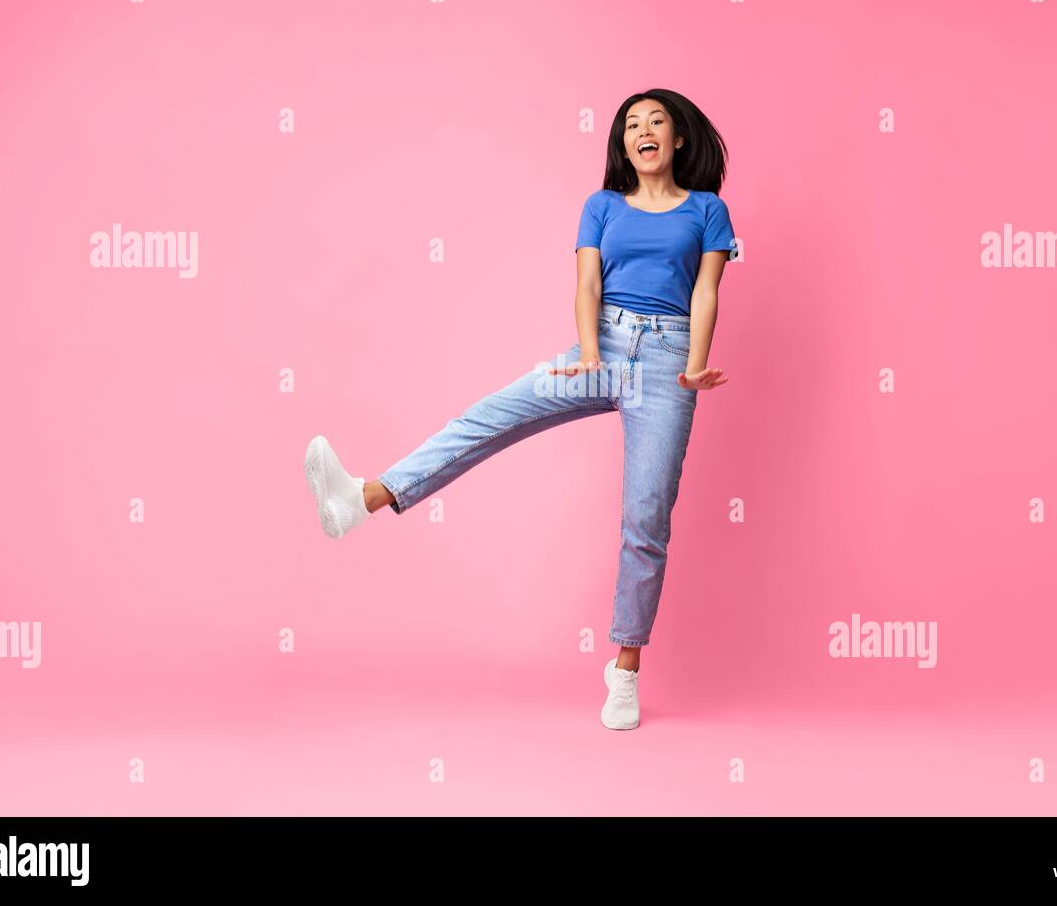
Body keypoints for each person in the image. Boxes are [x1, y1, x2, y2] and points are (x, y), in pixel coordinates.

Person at [304, 88, 738, 730]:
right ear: (623, 145)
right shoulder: (601, 206)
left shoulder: (707, 210)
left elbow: (705, 291)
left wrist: (695, 365)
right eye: (630, 125)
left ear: (677, 140)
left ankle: (624, 670)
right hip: (603, 346)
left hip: (668, 361)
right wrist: (591, 353)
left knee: (646, 516)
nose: (642, 131)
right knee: (491, 416)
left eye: (656, 122)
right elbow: (587, 282)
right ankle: (364, 499)